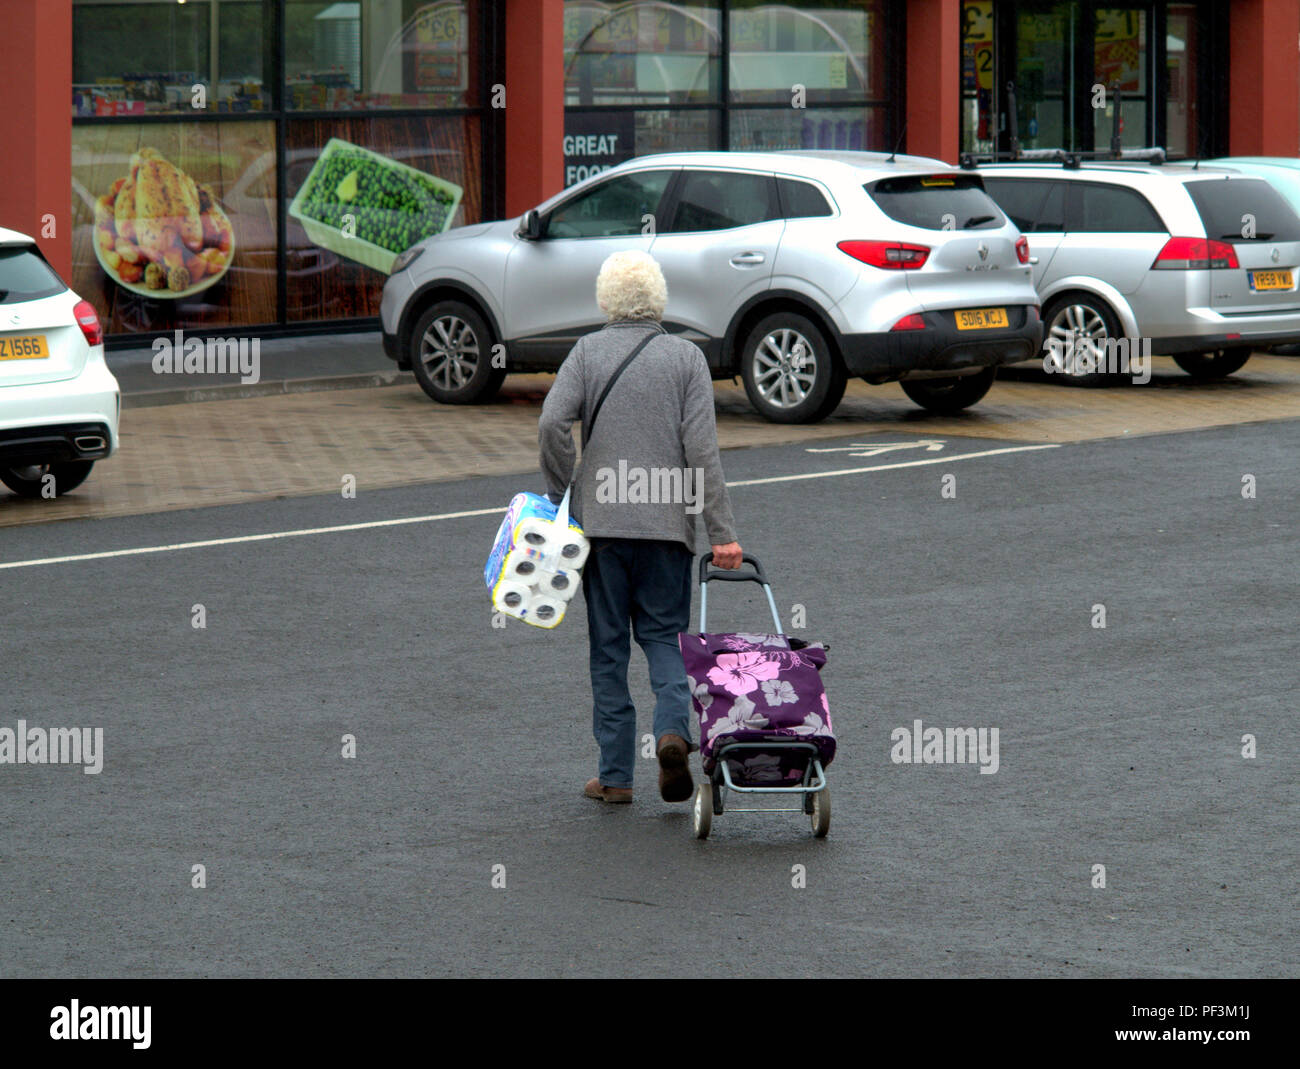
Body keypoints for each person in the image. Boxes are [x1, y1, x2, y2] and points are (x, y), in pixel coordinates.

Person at [539, 250, 742, 805]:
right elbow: (702, 451)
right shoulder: (686, 359)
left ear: (607, 300)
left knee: (608, 649)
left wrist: (562, 494)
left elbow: (553, 422)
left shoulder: (586, 352)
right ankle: (673, 733)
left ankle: (616, 778)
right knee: (664, 639)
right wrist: (721, 532)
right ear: (658, 300)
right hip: (667, 528)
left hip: (601, 528)